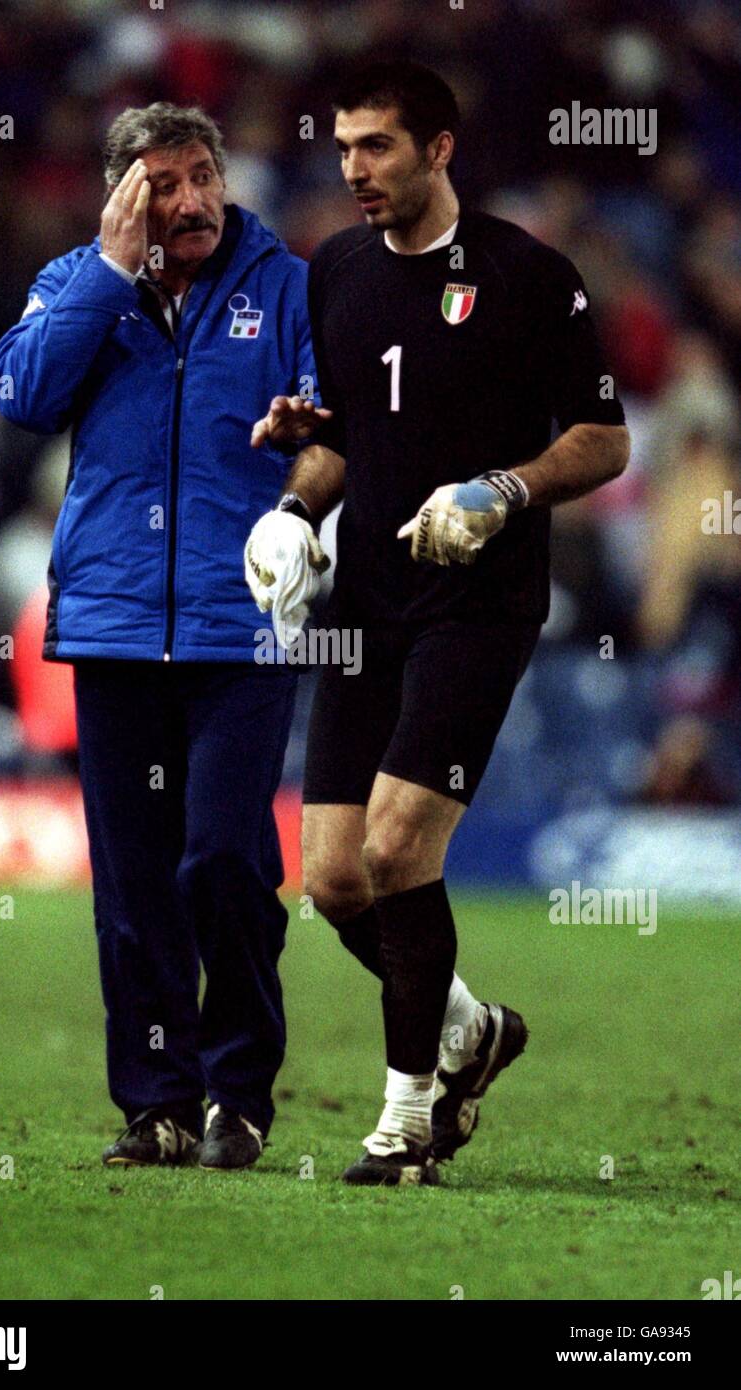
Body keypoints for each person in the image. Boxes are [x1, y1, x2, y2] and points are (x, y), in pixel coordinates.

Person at [247, 62, 630, 1186]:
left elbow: (604, 439)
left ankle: (406, 1124)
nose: (351, 169)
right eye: (343, 148)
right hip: (363, 599)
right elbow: (343, 433)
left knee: (396, 844)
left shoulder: (525, 274)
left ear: (439, 150)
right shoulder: (337, 271)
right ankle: (469, 1030)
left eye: (375, 147)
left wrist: (501, 491)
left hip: (477, 600)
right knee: (330, 881)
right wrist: (289, 504)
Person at [0, 102, 323, 1172]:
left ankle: (240, 1090)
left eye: (196, 177)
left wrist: (306, 448)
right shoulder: (79, 284)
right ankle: (159, 1105)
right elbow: (23, 395)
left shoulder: (288, 287)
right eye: (156, 183)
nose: (184, 201)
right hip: (117, 621)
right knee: (133, 885)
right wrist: (104, 265)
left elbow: (340, 414)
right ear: (122, 194)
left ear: (224, 178)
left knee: (225, 860)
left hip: (243, 624)